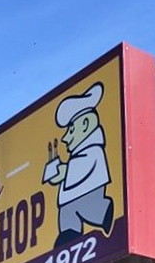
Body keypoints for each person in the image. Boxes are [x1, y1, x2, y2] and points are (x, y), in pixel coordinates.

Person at [45, 82, 114, 246]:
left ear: (85, 125)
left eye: (70, 130)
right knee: (67, 212)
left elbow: (83, 167)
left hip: (89, 195)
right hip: (72, 198)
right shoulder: (77, 154)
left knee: (81, 208)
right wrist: (57, 174)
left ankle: (105, 211)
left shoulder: (93, 149)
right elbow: (69, 172)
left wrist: (64, 172)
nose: (65, 138)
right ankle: (69, 235)